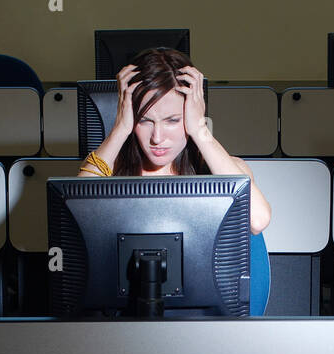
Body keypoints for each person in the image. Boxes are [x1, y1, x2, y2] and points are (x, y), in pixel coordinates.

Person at [78, 48, 271, 236]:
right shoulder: (107, 170)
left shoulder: (223, 168)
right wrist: (120, 128)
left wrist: (200, 129)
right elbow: (76, 214)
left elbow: (258, 220)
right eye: (144, 120)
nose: (157, 138)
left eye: (172, 120)